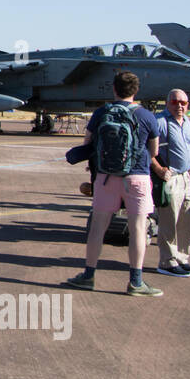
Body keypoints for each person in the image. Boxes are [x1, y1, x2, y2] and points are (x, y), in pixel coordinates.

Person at [65, 71, 163, 296]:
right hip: (137, 177)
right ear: (136, 91)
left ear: (114, 89)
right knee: (139, 227)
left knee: (98, 227)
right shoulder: (147, 116)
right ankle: (136, 282)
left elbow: (87, 142)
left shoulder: (101, 112)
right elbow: (154, 151)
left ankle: (88, 276)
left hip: (106, 176)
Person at [152, 89, 190, 277]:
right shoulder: (160, 122)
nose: (180, 106)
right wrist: (158, 169)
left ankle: (181, 258)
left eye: (183, 103)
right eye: (175, 102)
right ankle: (167, 261)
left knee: (185, 221)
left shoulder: (187, 121)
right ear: (167, 102)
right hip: (170, 178)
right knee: (169, 221)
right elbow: (146, 150)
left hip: (186, 177)